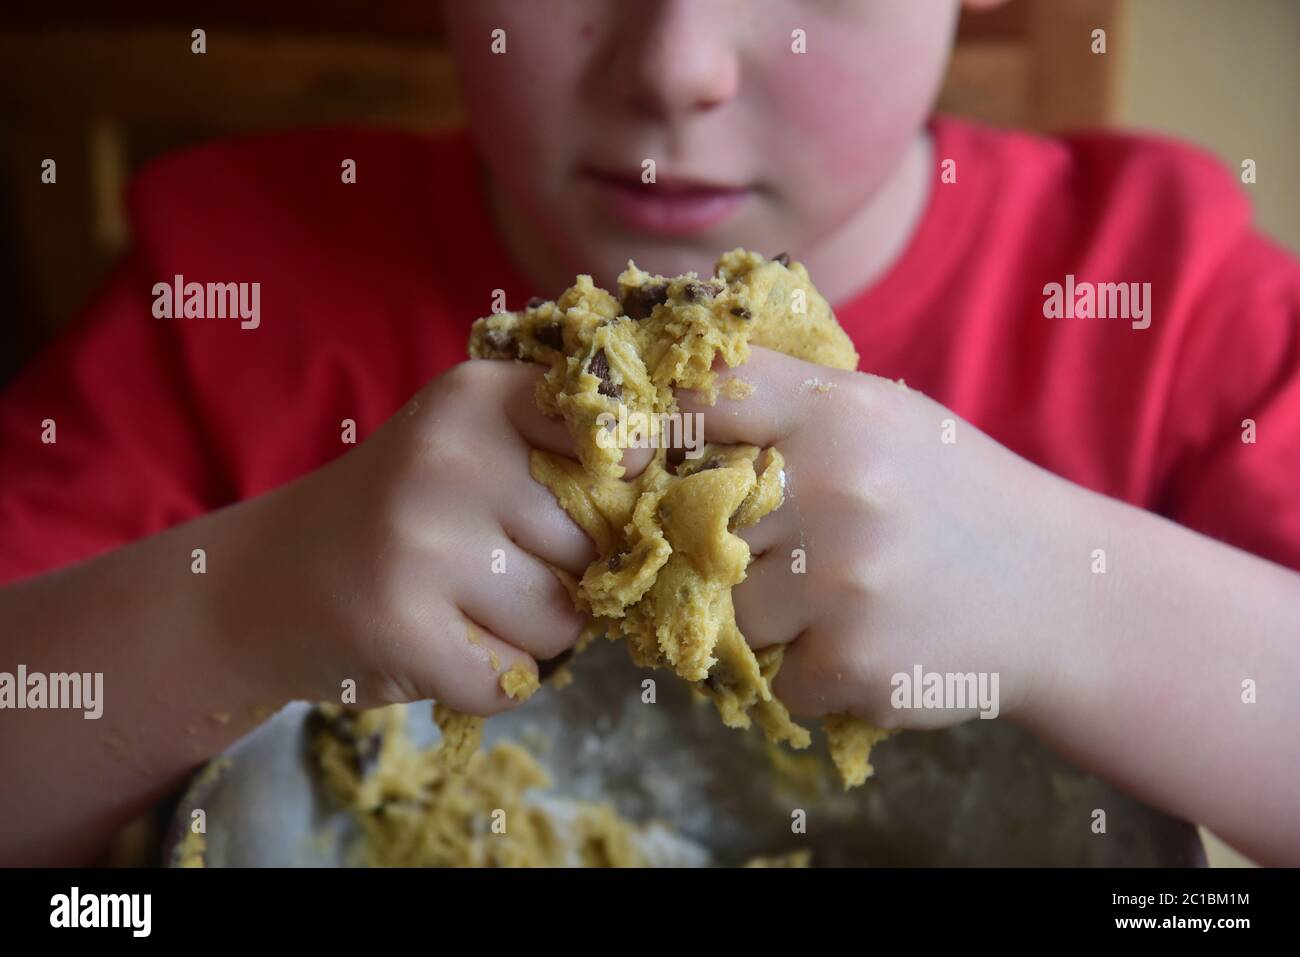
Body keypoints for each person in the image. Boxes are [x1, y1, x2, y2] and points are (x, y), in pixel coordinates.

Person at [1, 0, 1296, 866]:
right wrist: (245, 601)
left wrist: (1080, 597)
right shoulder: (229, 284)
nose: (676, 65)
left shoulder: (1162, 302)